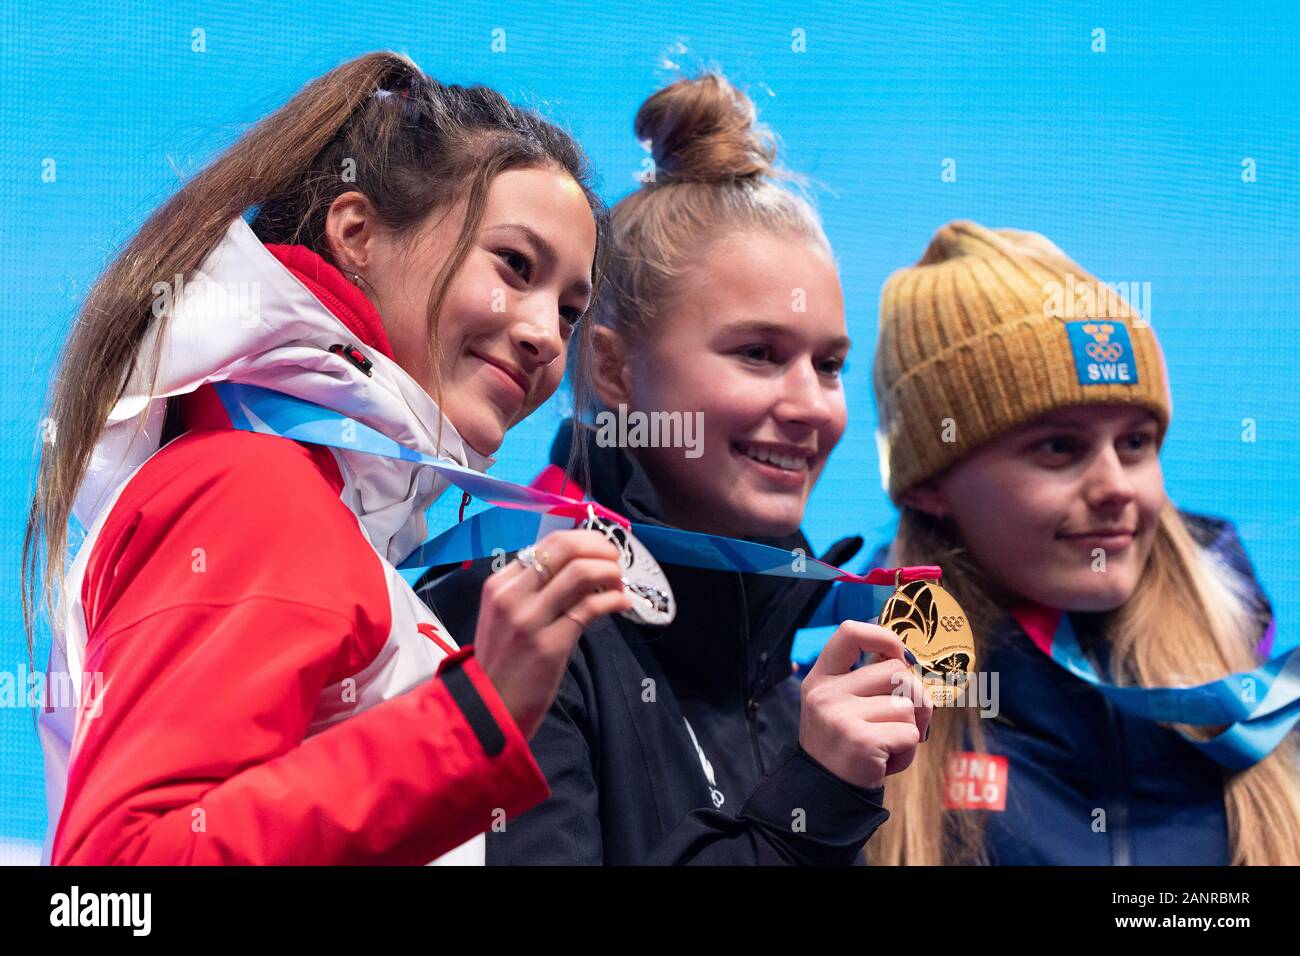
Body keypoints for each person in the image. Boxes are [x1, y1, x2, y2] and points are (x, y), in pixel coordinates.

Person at [24, 51, 633, 865]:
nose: (542, 335)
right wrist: (474, 723)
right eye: (513, 268)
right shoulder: (253, 488)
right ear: (357, 235)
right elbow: (117, 880)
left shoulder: (307, 497)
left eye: (569, 310)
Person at [422, 73, 931, 865]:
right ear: (616, 370)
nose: (810, 406)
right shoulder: (511, 617)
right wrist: (813, 803)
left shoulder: (803, 657)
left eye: (828, 366)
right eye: (758, 354)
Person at [859, 219, 1300, 864]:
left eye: (1136, 443)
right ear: (929, 484)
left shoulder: (1261, 701)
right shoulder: (857, 728)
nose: (1116, 487)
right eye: (1059, 447)